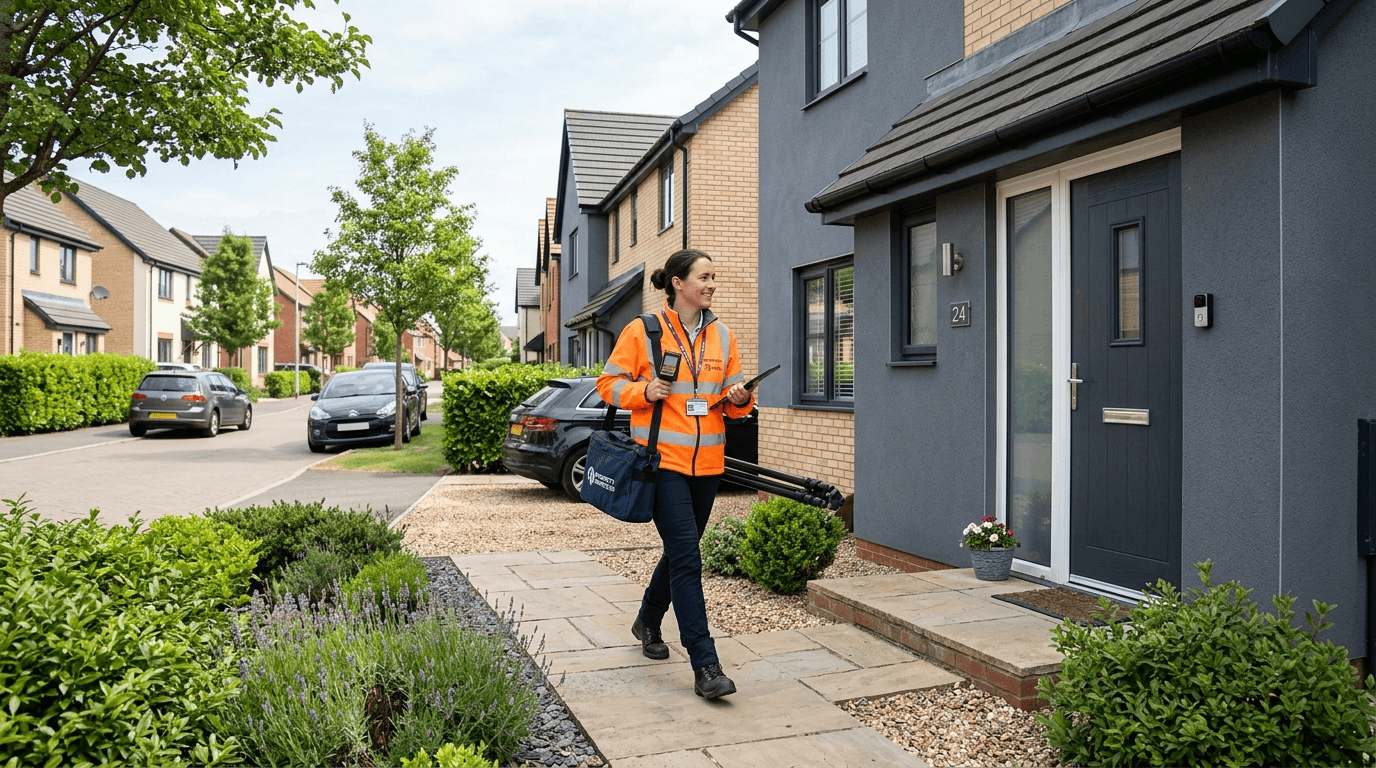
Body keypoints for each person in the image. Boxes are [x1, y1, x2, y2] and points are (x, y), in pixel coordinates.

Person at [596, 248, 754, 700]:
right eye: (704, 277)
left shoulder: (722, 335)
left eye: (714, 277)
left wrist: (740, 398)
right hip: (661, 462)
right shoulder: (643, 331)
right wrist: (644, 390)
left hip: (708, 465)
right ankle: (705, 664)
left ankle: (647, 618)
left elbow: (733, 405)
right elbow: (607, 384)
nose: (711, 284)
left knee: (680, 551)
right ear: (678, 283)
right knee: (687, 557)